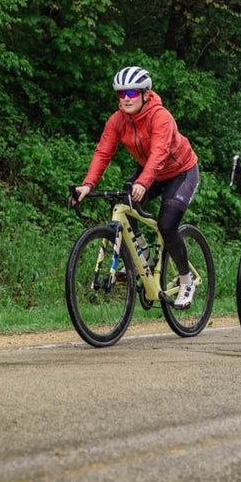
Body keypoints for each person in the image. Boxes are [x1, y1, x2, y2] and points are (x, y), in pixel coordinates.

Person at [72, 66, 201, 308]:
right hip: (150, 170)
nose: (126, 99)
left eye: (131, 93)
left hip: (180, 171)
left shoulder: (160, 116)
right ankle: (145, 256)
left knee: (167, 224)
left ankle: (186, 280)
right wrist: (87, 185)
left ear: (145, 93)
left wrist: (143, 182)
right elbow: (103, 152)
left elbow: (159, 153)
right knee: (123, 205)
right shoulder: (117, 120)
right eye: (121, 94)